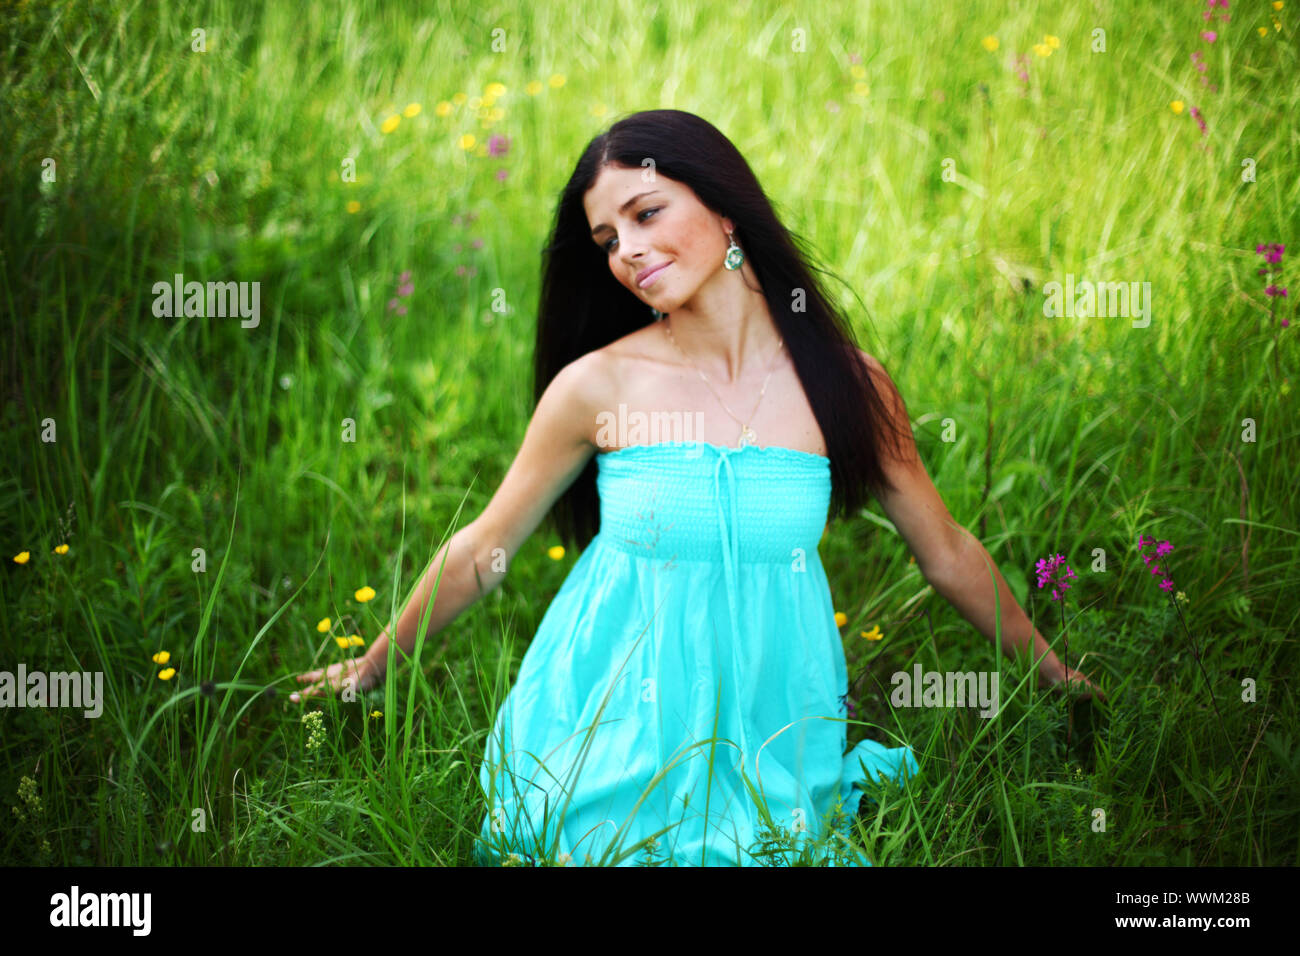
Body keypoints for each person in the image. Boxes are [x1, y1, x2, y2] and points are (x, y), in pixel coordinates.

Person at [291, 109, 1103, 867]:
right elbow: (486, 547)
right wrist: (370, 668)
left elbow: (947, 550)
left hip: (769, 726)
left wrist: (1057, 674)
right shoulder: (597, 386)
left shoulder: (845, 384)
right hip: (612, 716)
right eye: (608, 238)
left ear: (725, 210)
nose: (626, 251)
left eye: (646, 214)